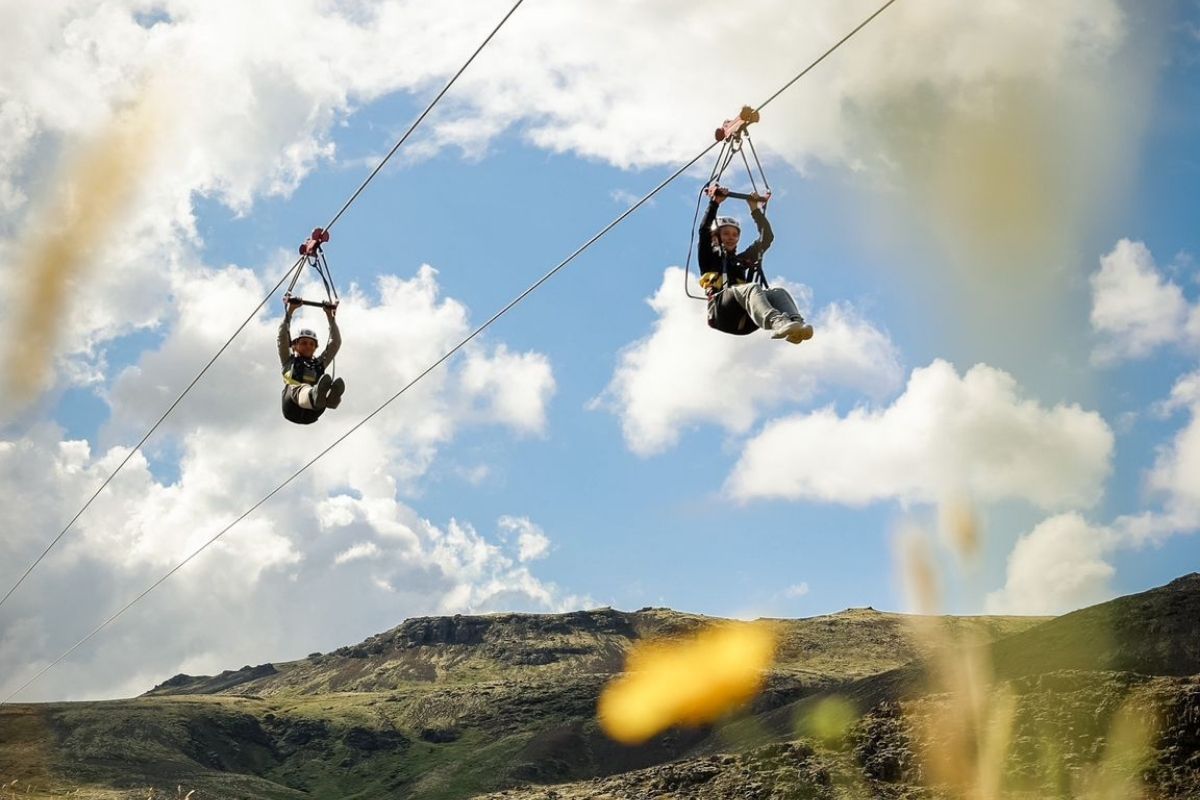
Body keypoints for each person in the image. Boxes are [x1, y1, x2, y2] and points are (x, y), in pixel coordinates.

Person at [697, 188, 813, 344]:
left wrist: (754, 209)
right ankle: (777, 322)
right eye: (725, 234)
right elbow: (703, 230)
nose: (731, 238)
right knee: (751, 288)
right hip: (722, 314)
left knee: (778, 292)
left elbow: (767, 238)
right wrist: (715, 202)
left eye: (734, 234)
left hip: (746, 318)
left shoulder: (741, 260)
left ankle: (795, 326)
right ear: (715, 237)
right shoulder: (708, 257)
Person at [277, 297, 345, 425]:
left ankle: (330, 398)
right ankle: (315, 395)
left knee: (323, 385)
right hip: (292, 407)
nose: (308, 346)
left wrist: (330, 316)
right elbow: (282, 337)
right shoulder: (288, 360)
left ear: (315, 347)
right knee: (298, 387)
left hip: (313, 412)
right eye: (303, 343)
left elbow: (336, 343)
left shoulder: (319, 363)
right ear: (294, 346)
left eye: (311, 344)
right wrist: (290, 310)